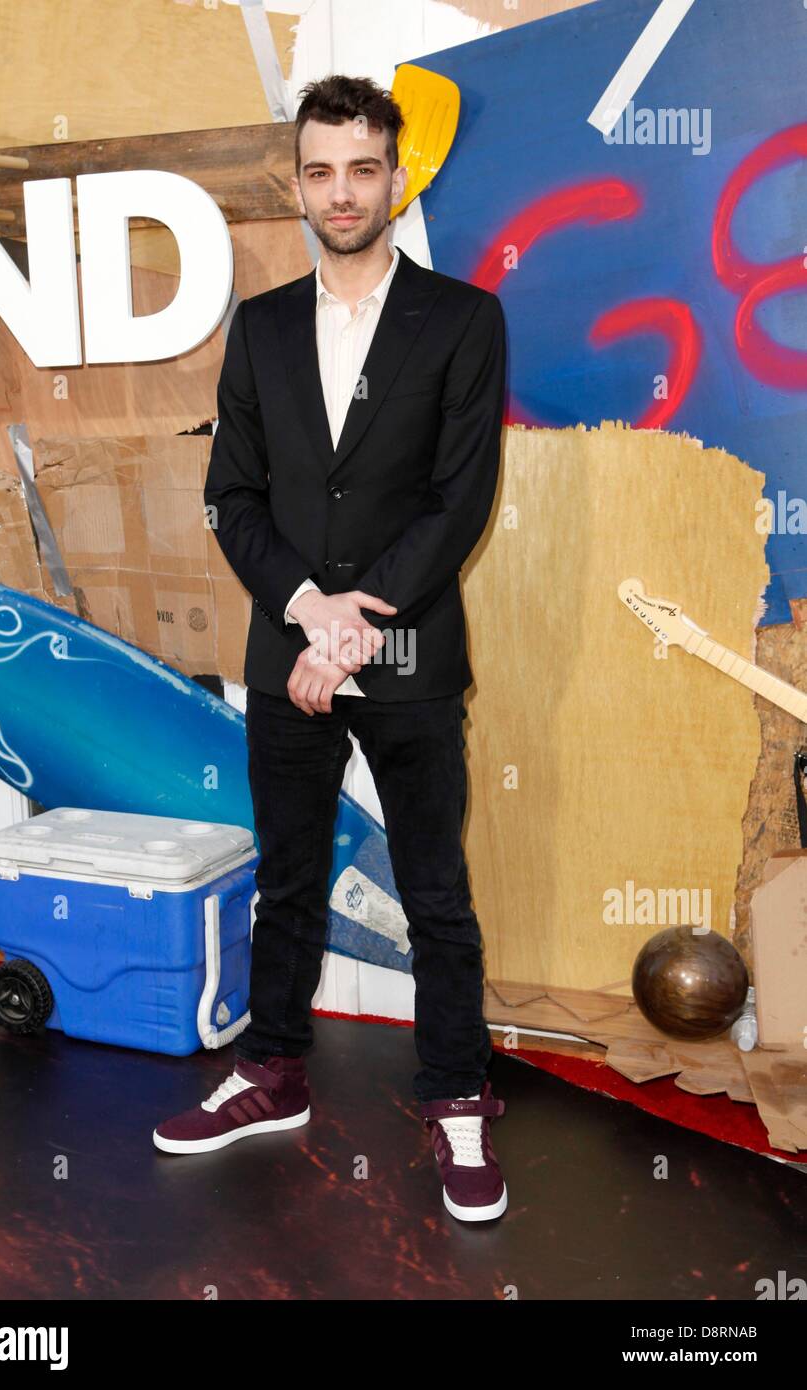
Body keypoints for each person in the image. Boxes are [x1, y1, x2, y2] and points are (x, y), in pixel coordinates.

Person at [154, 74, 508, 1222]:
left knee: (435, 889)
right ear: (296, 184)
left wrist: (355, 626)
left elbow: (456, 504)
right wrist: (310, 611)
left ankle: (456, 1095)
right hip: (290, 649)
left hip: (404, 654)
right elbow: (231, 497)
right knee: (288, 883)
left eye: (363, 167)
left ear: (395, 179)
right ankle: (274, 1071)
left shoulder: (461, 319)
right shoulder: (257, 328)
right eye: (319, 170)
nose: (341, 190)